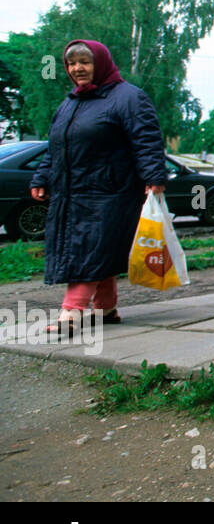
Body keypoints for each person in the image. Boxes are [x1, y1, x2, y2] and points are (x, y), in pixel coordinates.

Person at [29, 40, 169, 334]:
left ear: (101, 63)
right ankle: (105, 309)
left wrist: (154, 178)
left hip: (110, 191)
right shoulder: (71, 102)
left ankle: (72, 312)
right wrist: (42, 177)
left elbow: (146, 140)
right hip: (72, 192)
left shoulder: (129, 97)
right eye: (71, 63)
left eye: (85, 62)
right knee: (94, 248)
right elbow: (57, 146)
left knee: (89, 248)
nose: (77, 68)